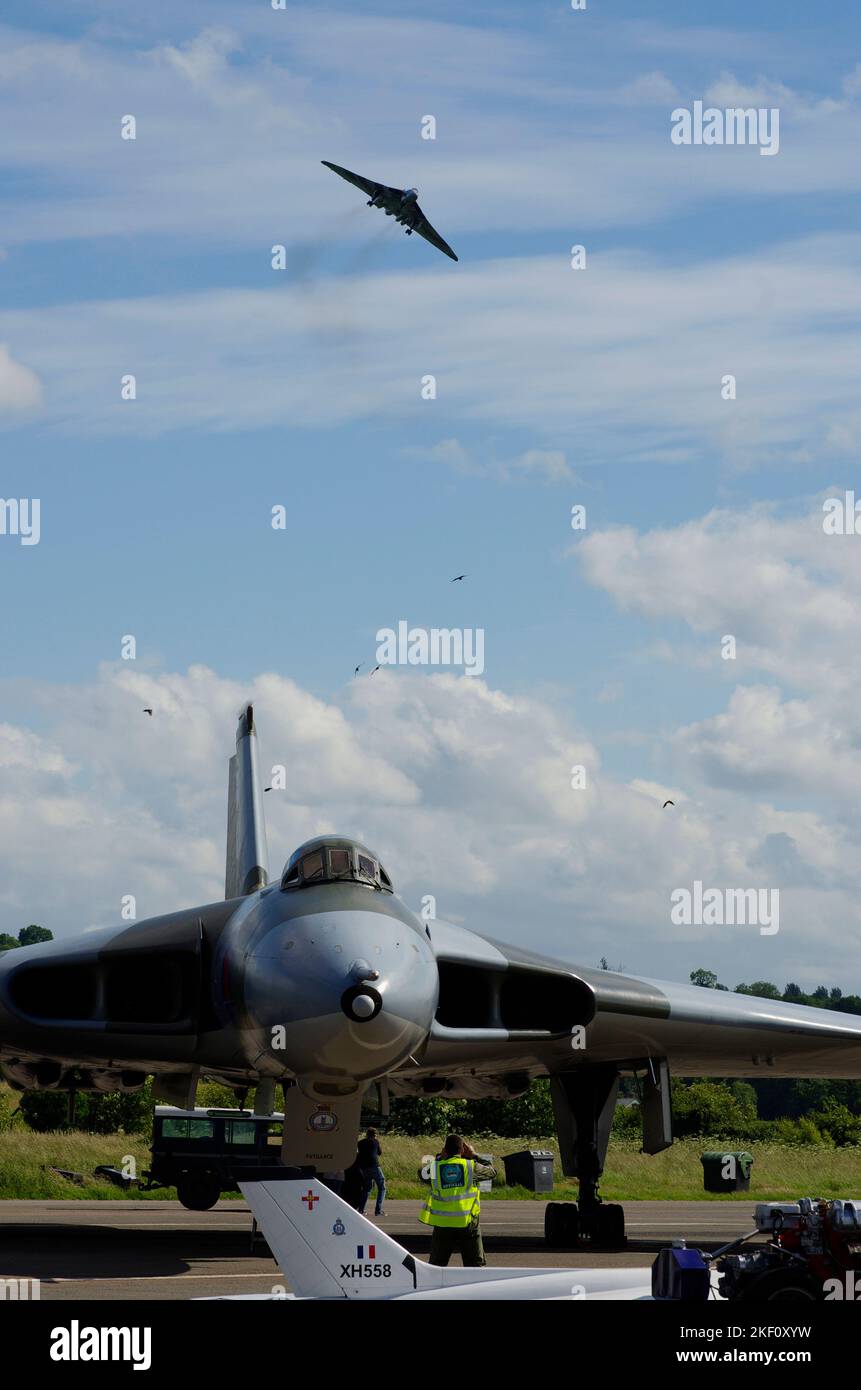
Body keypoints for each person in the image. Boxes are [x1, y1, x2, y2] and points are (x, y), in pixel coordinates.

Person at [418, 1133, 485, 1266]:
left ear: (445, 1150)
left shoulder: (436, 1168)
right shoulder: (471, 1166)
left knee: (437, 1265)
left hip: (443, 1224)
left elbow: (422, 1174)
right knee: (475, 1266)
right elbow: (492, 1171)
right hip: (468, 1223)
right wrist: (474, 1155)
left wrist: (439, 1158)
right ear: (462, 1150)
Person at [356, 1127, 386, 1216]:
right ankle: (378, 1210)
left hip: (364, 1168)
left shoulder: (360, 1143)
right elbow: (379, 1152)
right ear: (374, 1135)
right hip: (374, 1166)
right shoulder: (375, 1141)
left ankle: (361, 1209)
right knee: (382, 1188)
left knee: (367, 1188)